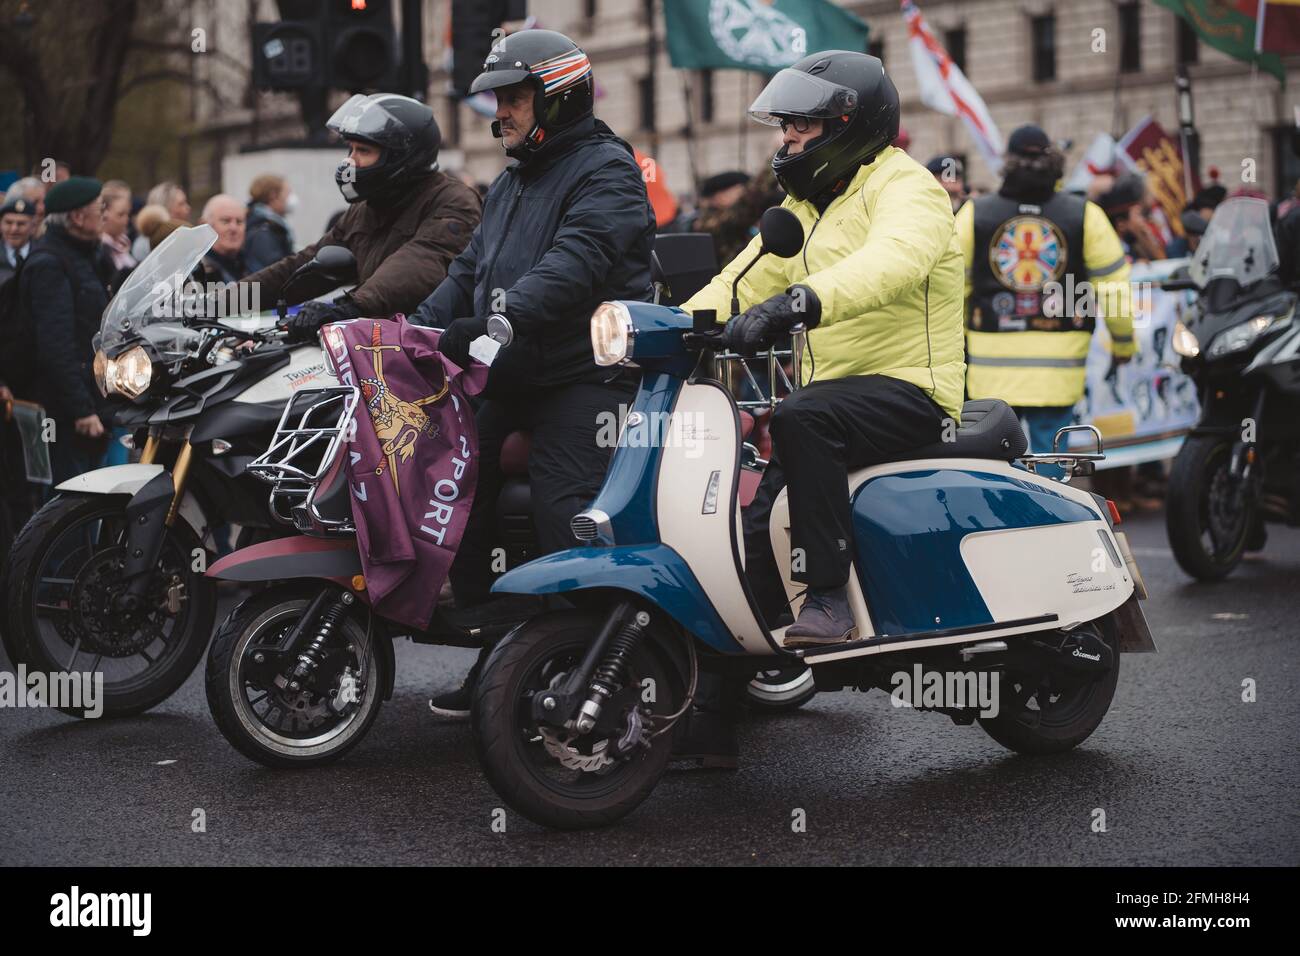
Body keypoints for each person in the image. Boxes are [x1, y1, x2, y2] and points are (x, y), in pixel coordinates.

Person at [677, 50, 966, 764]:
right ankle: (708, 722)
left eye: (801, 126)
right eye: (785, 127)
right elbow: (737, 278)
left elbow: (892, 262)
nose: (787, 141)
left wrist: (800, 302)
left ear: (848, 123)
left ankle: (828, 601)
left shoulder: (909, 189)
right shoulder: (800, 210)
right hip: (833, 405)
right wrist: (659, 330)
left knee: (802, 416)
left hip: (911, 390)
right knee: (740, 540)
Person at [414, 29, 655, 718]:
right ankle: (504, 659)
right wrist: (416, 329)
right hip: (516, 368)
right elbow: (468, 271)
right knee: (453, 484)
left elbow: (575, 263)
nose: (503, 111)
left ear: (559, 96)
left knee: (561, 511)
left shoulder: (608, 170)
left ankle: (597, 674)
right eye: (500, 98)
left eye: (516, 98)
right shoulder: (515, 178)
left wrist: (501, 317)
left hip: (588, 376)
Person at [957, 125, 1136, 477]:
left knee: (994, 468)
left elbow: (949, 290)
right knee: (1050, 470)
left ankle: (998, 529)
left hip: (989, 377)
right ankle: (1045, 526)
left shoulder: (974, 214)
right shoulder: (1086, 216)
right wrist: (1124, 343)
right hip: (1059, 373)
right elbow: (1114, 289)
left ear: (1007, 162)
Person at [244, 93, 480, 340]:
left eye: (363, 151)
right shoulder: (367, 208)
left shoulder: (453, 201)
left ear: (401, 156)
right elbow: (302, 267)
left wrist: (347, 308)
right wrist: (220, 302)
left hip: (435, 354)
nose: (350, 161)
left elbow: (419, 264)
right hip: (378, 350)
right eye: (351, 149)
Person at [19, 177, 113, 483]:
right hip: (62, 414)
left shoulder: (87, 255)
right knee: (69, 506)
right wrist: (82, 410)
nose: (105, 215)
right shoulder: (50, 263)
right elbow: (56, 346)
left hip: (90, 401)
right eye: (100, 208)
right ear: (76, 217)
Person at [243, 174, 296, 272]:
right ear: (273, 196)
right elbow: (275, 271)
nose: (292, 199)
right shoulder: (263, 231)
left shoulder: (269, 224)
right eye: (288, 193)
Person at [197, 194, 249, 284]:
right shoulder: (197, 273)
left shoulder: (251, 263)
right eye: (226, 221)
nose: (234, 228)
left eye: (239, 222)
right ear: (204, 225)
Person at [99, 180, 137, 273]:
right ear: (104, 215)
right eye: (120, 214)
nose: (126, 219)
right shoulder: (100, 249)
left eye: (128, 214)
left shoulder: (123, 243)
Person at [0, 195, 36, 284]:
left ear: (33, 227)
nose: (14, 229)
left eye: (21, 224)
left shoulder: (44, 254)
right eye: (8, 223)